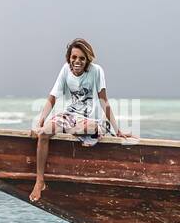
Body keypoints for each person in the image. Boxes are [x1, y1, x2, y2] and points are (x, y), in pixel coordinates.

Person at [29, 38, 130, 202]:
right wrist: (41, 122)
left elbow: (104, 100)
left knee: (89, 128)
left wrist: (117, 130)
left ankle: (90, 133)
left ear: (87, 60)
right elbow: (53, 97)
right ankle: (40, 181)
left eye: (82, 58)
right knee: (44, 134)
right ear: (69, 57)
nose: (77, 61)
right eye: (74, 57)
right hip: (71, 116)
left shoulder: (96, 71)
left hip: (92, 120)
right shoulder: (65, 70)